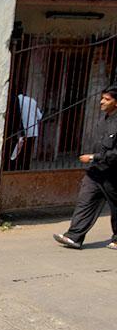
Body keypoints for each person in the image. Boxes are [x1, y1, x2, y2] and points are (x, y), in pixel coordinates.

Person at [53, 85, 117, 250]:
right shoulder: (103, 119)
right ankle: (74, 236)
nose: (102, 102)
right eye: (102, 98)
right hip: (96, 171)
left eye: (107, 99)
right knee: (85, 200)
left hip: (113, 173)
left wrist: (93, 157)